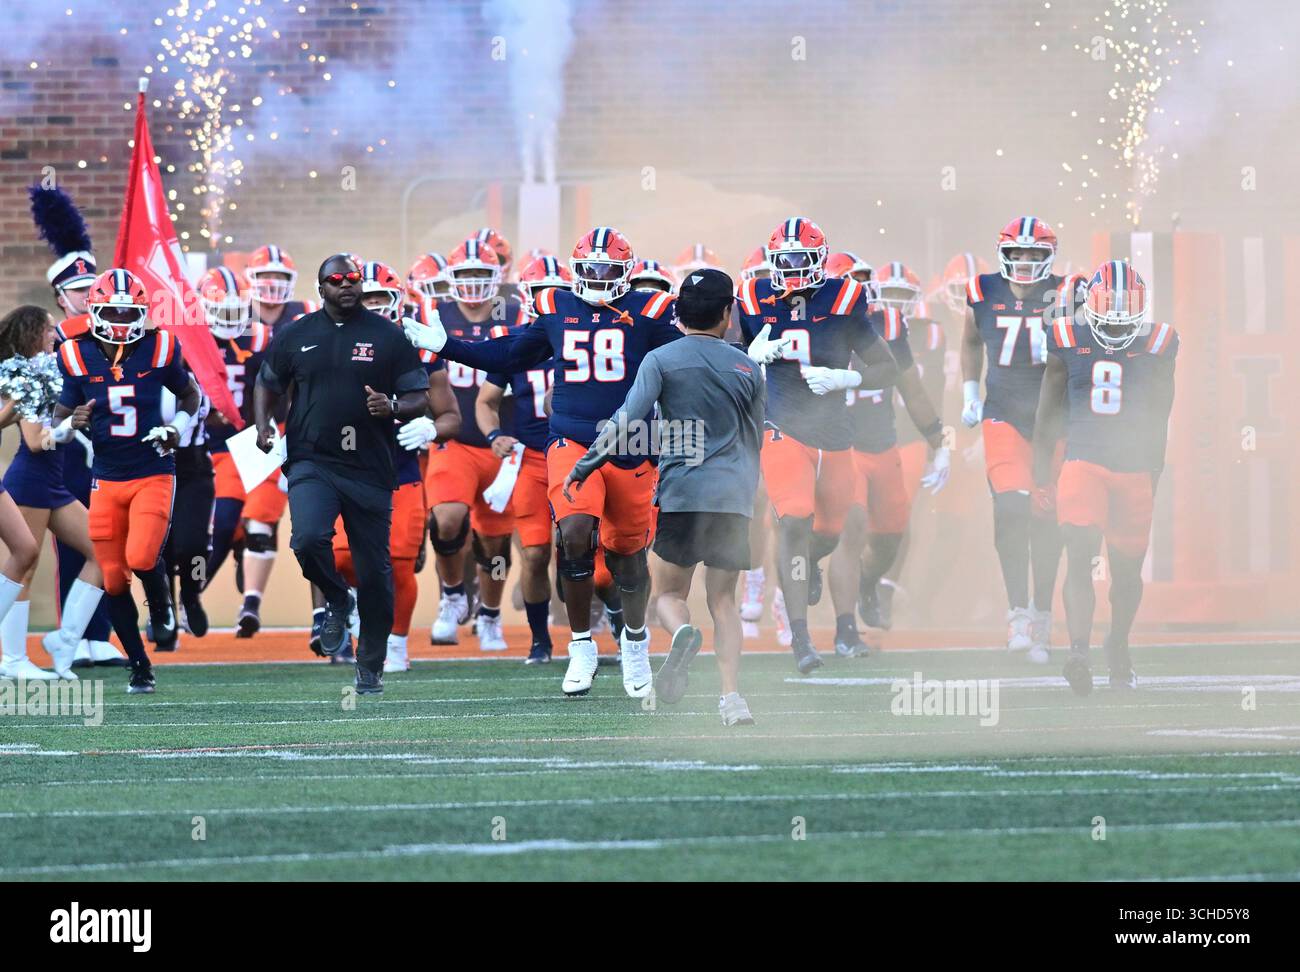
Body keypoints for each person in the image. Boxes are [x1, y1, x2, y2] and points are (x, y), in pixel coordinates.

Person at [402, 226, 686, 699]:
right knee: (573, 536)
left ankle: (635, 642)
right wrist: (447, 344)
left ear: (626, 273)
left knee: (626, 559)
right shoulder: (556, 307)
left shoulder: (650, 311)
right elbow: (510, 352)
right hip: (571, 441)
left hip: (633, 444)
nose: (597, 279)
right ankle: (580, 646)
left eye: (607, 270)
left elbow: (688, 356)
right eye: (589, 270)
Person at [736, 218, 947, 674]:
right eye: (782, 261)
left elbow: (888, 368)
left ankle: (809, 567)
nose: (789, 269)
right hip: (782, 425)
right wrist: (748, 357)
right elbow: (722, 361)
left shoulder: (846, 298)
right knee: (792, 520)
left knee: (830, 532)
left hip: (833, 431)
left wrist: (847, 376)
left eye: (799, 260)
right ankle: (801, 637)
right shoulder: (752, 298)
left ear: (819, 262)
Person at [563, 268, 765, 725]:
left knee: (669, 595)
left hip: (682, 493)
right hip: (733, 497)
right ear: (728, 313)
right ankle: (733, 698)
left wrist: (587, 462)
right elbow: (755, 440)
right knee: (725, 601)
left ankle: (681, 633)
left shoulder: (661, 359)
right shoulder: (748, 366)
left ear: (677, 312)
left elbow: (627, 419)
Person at [253, 255, 430, 696]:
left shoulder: (388, 335)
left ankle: (370, 663)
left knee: (374, 572)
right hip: (312, 458)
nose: (346, 286)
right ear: (321, 288)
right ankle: (334, 595)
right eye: (336, 280)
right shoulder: (297, 333)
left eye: (352, 280)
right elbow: (267, 381)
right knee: (308, 538)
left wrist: (393, 408)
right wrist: (262, 425)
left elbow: (418, 395)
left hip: (370, 466)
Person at [52, 269, 202, 693]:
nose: (120, 318)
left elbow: (191, 395)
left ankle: (160, 606)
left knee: (141, 555)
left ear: (142, 312)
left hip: (152, 469)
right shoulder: (76, 355)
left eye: (128, 310)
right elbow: (59, 420)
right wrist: (70, 426)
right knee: (114, 578)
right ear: (95, 311)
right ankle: (139, 664)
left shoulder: (161, 347)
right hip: (107, 475)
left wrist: (179, 428)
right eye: (112, 310)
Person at [1033, 261, 1177, 694]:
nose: (1115, 329)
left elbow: (1160, 415)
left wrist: (1154, 471)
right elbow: (1046, 414)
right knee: (1079, 553)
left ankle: (1118, 644)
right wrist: (1042, 476)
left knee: (1126, 574)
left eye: (1125, 319)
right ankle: (1078, 651)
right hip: (1084, 462)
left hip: (1134, 468)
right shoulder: (1066, 341)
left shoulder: (1160, 344)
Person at [335, 260, 460, 673]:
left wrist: (430, 430)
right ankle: (351, 604)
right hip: (345, 471)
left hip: (399, 472)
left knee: (399, 564)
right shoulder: (328, 344)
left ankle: (396, 643)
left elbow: (451, 417)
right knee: (339, 558)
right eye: (365, 298)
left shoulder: (418, 348)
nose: (371, 307)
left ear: (396, 303)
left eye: (379, 299)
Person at [960, 217, 1071, 662]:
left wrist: (1062, 347)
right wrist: (971, 391)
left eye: (1035, 255)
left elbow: (1084, 348)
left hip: (1054, 422)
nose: (1025, 263)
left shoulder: (1066, 293)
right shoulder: (983, 290)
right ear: (1003, 254)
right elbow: (969, 342)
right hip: (1004, 413)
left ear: (1049, 257)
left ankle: (1043, 614)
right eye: (1018, 254)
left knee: (1047, 521)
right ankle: (1017, 613)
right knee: (1011, 508)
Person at [826, 260, 949, 658]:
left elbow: (912, 389)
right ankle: (846, 630)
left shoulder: (891, 326)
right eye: (851, 283)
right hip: (840, 445)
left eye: (865, 283)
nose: (860, 291)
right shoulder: (813, 326)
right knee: (852, 526)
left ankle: (866, 584)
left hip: (884, 444)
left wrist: (937, 438)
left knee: (891, 536)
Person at [417, 238, 523, 651]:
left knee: (495, 542)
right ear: (451, 279)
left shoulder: (516, 315)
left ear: (498, 278)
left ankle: (491, 616)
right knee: (445, 519)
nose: (475, 283)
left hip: (501, 444)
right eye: (466, 275)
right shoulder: (433, 315)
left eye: (483, 275)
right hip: (455, 441)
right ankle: (452, 596)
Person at [0, 306, 104, 679]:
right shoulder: (24, 374)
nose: (54, 333)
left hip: (53, 482)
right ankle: (12, 659)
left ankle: (66, 639)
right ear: (32, 333)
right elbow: (34, 441)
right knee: (24, 564)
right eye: (48, 328)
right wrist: (67, 429)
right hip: (30, 480)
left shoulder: (43, 370)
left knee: (105, 553)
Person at [235, 245, 317, 637]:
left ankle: (332, 610)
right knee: (256, 523)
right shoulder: (236, 316)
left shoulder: (307, 315)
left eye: (280, 278)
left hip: (304, 432)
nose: (271, 286)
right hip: (255, 435)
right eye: (264, 277)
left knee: (320, 524)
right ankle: (250, 602)